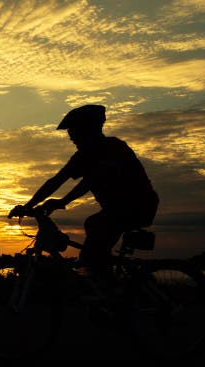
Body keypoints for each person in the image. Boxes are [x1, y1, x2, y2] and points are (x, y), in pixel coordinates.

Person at [10, 104, 159, 281]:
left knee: (94, 236)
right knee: (93, 235)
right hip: (117, 209)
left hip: (139, 206)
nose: (71, 137)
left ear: (88, 129)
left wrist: (62, 201)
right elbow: (56, 181)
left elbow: (92, 180)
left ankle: (105, 286)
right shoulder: (82, 156)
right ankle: (103, 282)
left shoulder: (113, 147)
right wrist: (28, 206)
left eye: (73, 131)